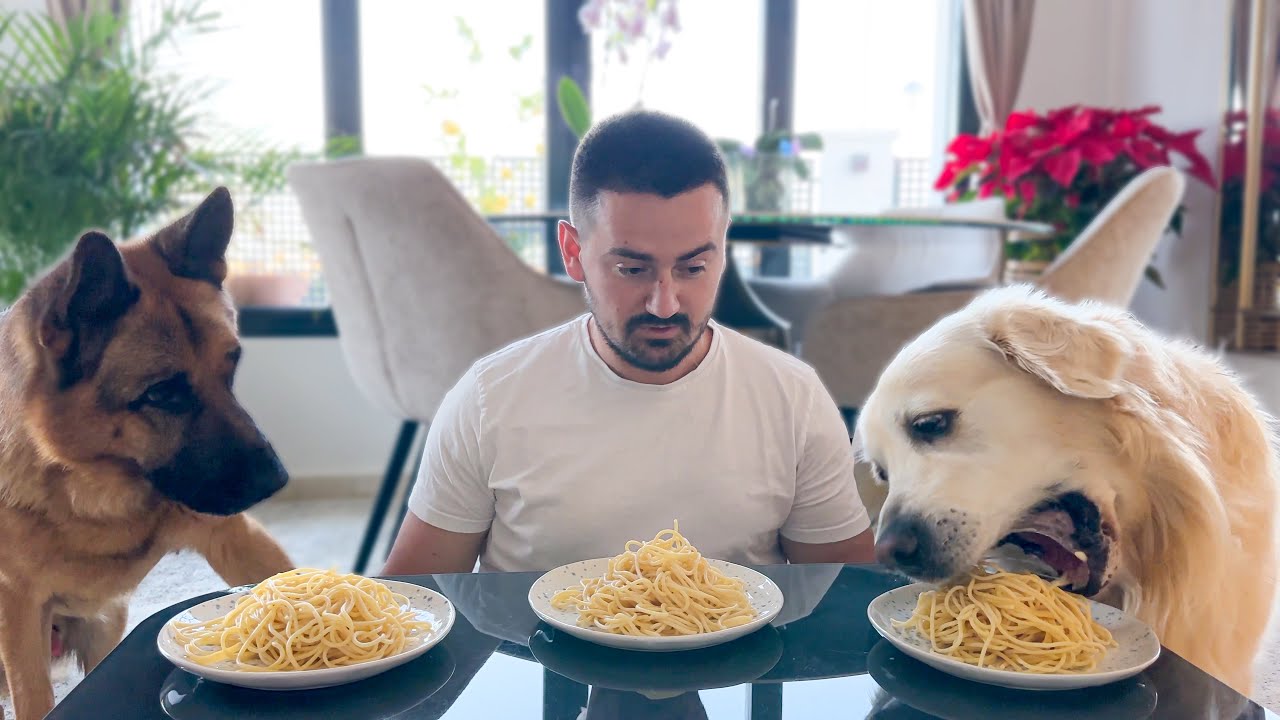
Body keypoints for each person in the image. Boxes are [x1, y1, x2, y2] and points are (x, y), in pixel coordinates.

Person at [382, 109, 874, 575]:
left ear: (723, 249)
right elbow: (412, 604)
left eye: (694, 267)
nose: (665, 303)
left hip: (734, 665)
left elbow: (843, 604)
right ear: (573, 252)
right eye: (632, 269)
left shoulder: (792, 398)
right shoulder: (490, 399)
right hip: (538, 663)